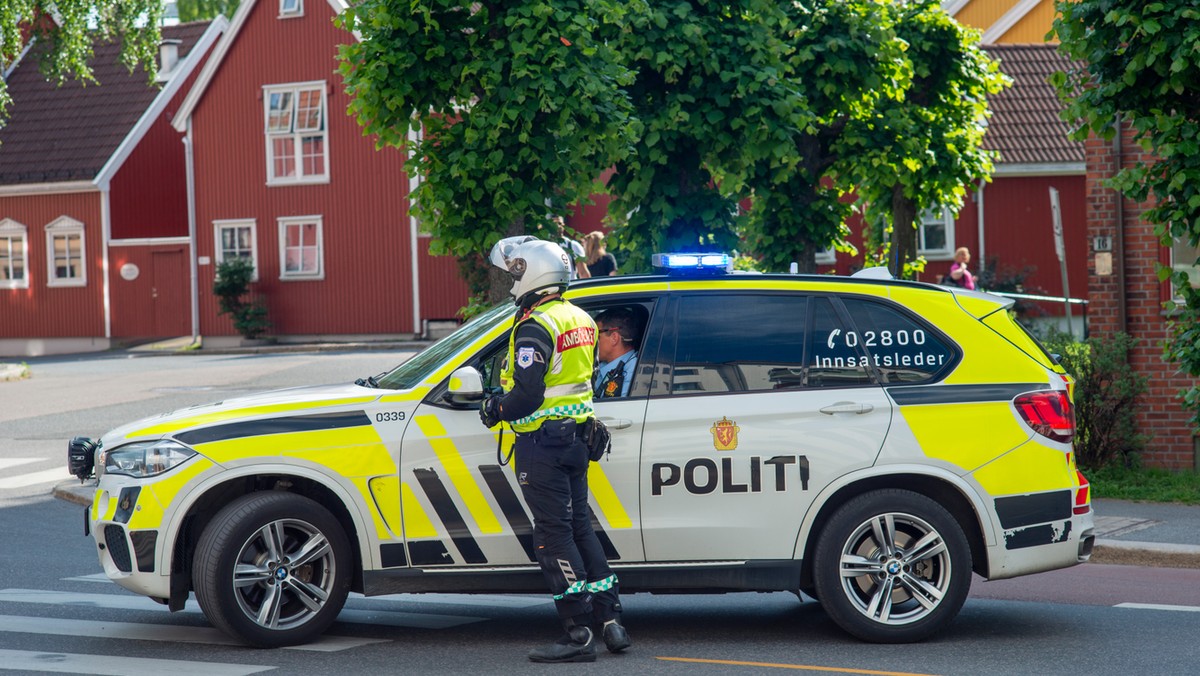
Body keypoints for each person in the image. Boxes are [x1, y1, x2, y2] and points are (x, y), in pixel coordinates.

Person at [480, 236, 631, 663]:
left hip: (543, 444)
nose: (512, 279)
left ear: (531, 274)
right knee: (580, 528)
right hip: (577, 439)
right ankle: (611, 622)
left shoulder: (535, 325)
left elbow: (527, 395)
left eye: (514, 271)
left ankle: (577, 632)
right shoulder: (580, 317)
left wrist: (495, 407)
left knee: (552, 535)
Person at [593, 308, 640, 399]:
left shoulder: (633, 373)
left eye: (596, 337)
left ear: (614, 338)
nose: (592, 343)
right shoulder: (603, 366)